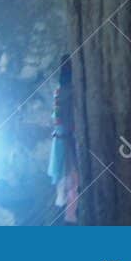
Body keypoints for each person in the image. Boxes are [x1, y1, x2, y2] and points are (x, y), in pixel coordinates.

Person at [48, 56, 80, 223]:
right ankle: (69, 216)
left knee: (65, 181)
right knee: (71, 180)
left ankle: (67, 215)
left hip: (63, 139)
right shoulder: (69, 91)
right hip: (68, 140)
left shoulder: (59, 91)